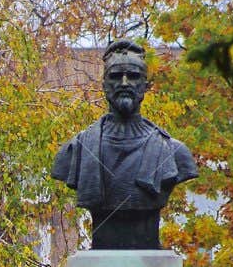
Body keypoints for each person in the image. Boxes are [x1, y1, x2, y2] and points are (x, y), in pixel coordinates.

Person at [51, 40, 198, 248]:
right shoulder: (77, 149)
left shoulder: (174, 152)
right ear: (104, 85)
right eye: (115, 76)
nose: (125, 83)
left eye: (134, 76)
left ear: (145, 86)